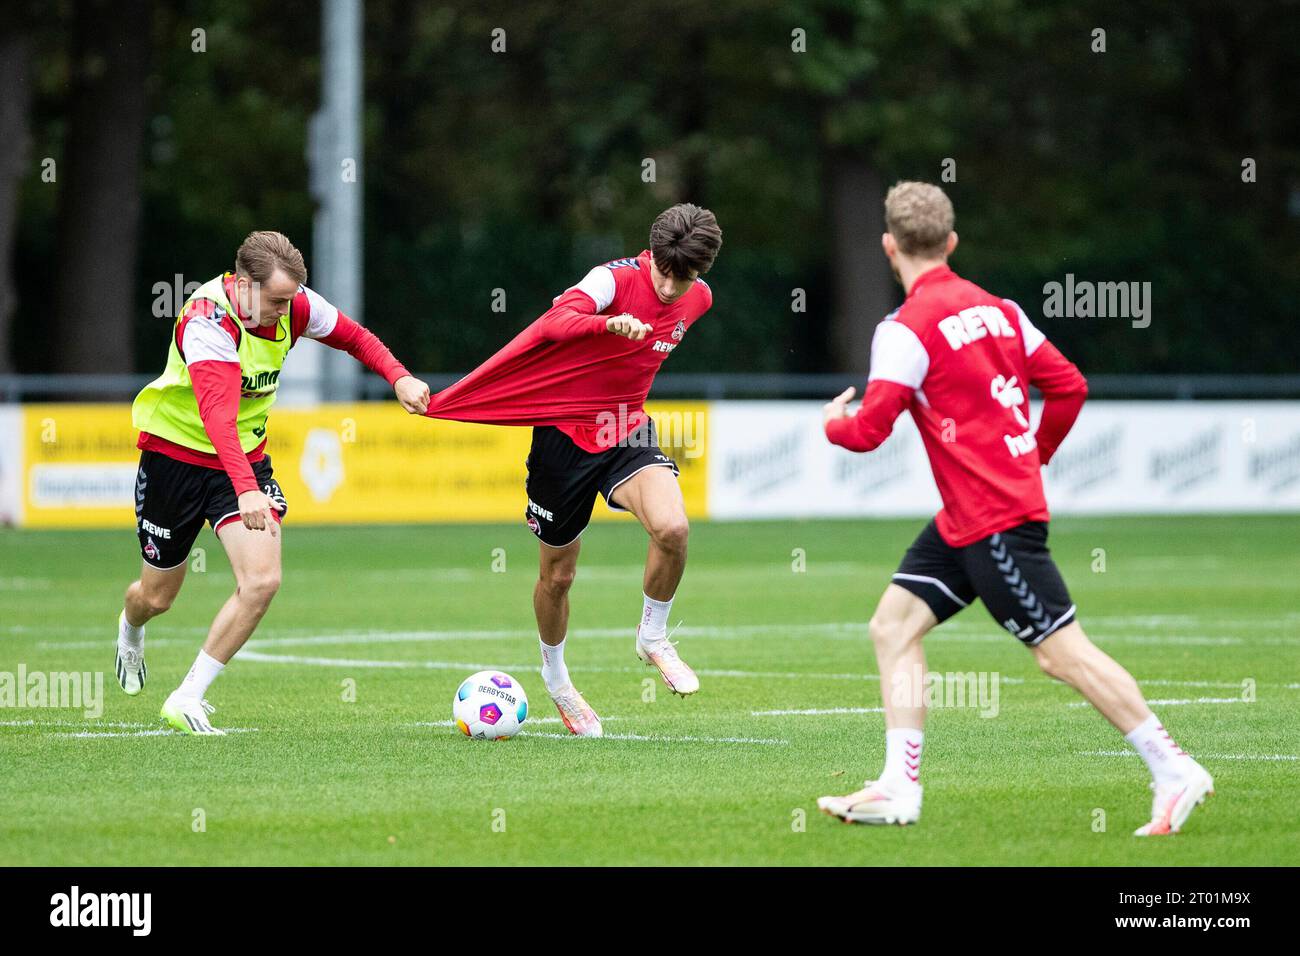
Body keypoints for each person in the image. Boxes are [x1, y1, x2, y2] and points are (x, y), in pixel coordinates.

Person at [816, 182, 1213, 835]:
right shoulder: (1000, 310)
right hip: (968, 519)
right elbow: (1069, 386)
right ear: (950, 243)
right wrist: (1036, 452)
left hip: (993, 521)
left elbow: (869, 432)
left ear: (889, 246)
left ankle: (1173, 768)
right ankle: (898, 788)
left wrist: (834, 422)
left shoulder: (904, 328)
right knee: (893, 628)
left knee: (1060, 654)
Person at [423, 204, 722, 736]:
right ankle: (557, 680)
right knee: (558, 576)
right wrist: (608, 322)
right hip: (562, 438)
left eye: (688, 277)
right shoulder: (612, 279)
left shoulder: (697, 298)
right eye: (667, 273)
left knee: (673, 527)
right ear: (651, 254)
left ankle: (652, 637)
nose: (674, 287)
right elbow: (555, 320)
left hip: (626, 426)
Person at [120, 230, 430, 734]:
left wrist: (398, 376)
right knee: (156, 598)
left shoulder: (297, 305)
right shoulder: (208, 321)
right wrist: (245, 489)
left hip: (244, 461)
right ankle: (130, 630)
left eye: (291, 300)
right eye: (277, 300)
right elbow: (217, 417)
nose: (287, 311)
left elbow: (355, 337)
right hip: (174, 459)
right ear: (242, 284)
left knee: (262, 579)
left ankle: (187, 696)